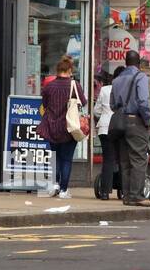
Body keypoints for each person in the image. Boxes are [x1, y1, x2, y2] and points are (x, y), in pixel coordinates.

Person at [109, 50, 150, 207]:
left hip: (120, 123)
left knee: (125, 161)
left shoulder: (116, 80)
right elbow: (143, 101)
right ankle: (137, 195)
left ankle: (127, 195)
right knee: (139, 159)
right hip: (136, 121)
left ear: (125, 61)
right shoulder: (141, 77)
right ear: (139, 63)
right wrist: (148, 119)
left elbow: (112, 104)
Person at [38, 56, 87, 200]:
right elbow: (83, 102)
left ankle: (55, 186)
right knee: (66, 159)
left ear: (57, 71)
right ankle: (64, 189)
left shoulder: (49, 86)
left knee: (55, 157)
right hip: (69, 127)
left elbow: (45, 105)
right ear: (70, 70)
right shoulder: (74, 85)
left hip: (52, 127)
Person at [92, 70, 119, 200]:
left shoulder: (104, 90)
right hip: (120, 128)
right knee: (122, 159)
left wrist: (103, 116)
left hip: (104, 127)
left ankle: (104, 192)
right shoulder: (126, 89)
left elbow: (96, 111)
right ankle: (122, 189)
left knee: (108, 160)